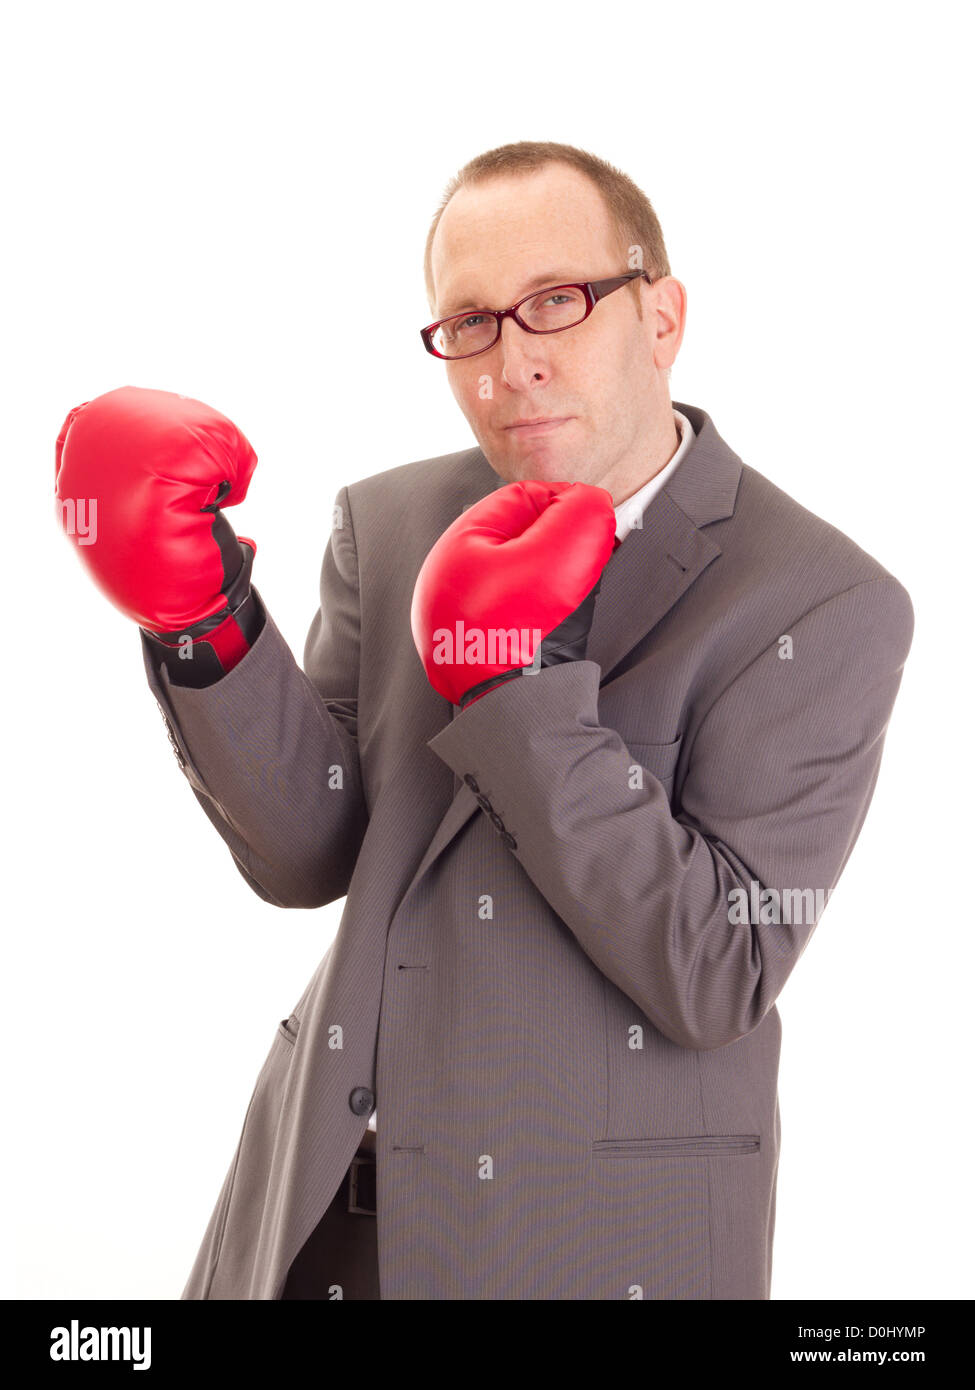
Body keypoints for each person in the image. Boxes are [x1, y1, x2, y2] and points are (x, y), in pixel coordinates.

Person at [54, 140, 914, 1300]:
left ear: (661, 318)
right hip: (325, 1209)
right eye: (469, 322)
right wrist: (204, 618)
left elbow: (719, 966)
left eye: (557, 303)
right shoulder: (391, 515)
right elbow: (313, 851)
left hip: (585, 1243)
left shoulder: (821, 599)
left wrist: (510, 686)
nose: (512, 363)